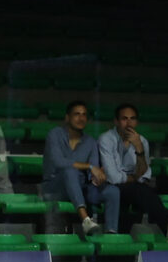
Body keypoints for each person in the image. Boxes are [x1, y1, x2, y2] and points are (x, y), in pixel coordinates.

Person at [96, 104, 168, 242]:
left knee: (141, 190)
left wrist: (139, 149)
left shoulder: (142, 141)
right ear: (116, 121)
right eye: (124, 119)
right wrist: (134, 177)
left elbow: (144, 175)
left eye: (132, 119)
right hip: (108, 188)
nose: (128, 123)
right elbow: (113, 178)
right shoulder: (106, 139)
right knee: (141, 191)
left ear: (137, 122)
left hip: (133, 189)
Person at [42, 100, 114, 236]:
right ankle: (86, 219)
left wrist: (98, 176)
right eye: (76, 114)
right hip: (54, 187)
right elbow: (59, 162)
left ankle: (111, 235)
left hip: (79, 188)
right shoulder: (55, 134)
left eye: (84, 115)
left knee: (111, 191)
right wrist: (89, 166)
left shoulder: (91, 142)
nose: (81, 118)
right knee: (69, 170)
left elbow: (92, 173)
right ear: (67, 118)